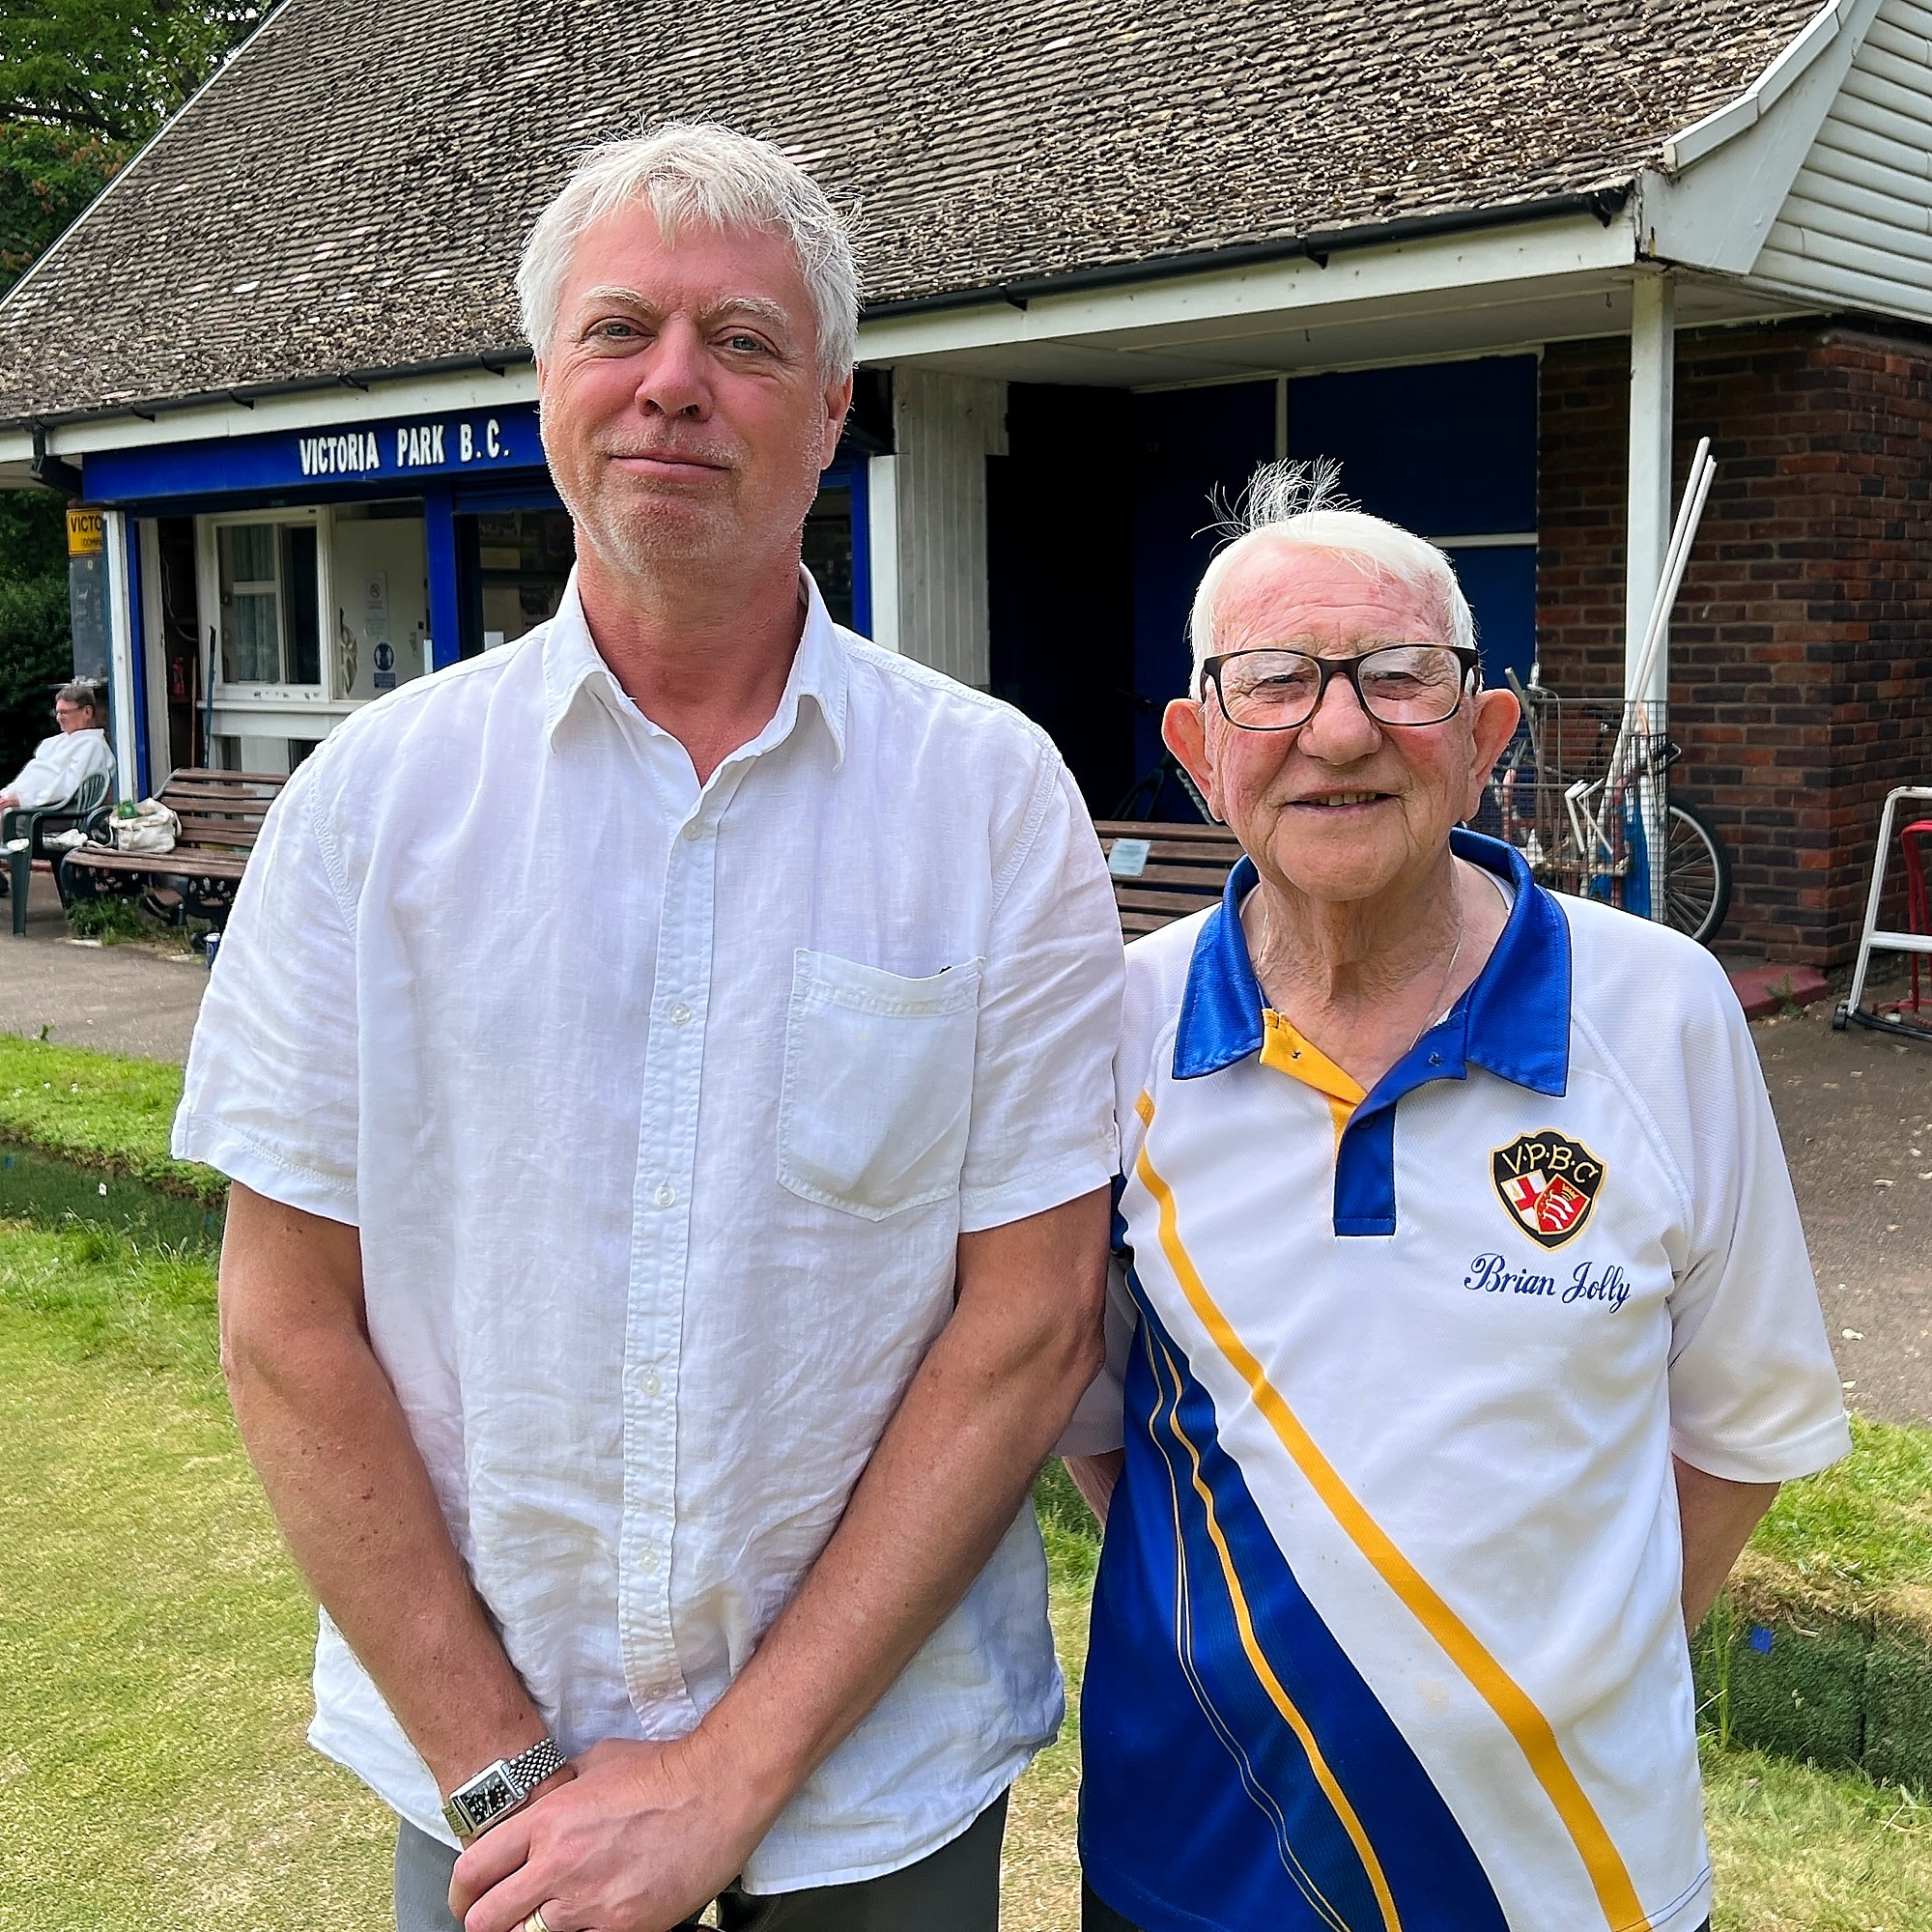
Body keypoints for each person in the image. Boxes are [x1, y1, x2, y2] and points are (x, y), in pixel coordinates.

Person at [177, 124, 1122, 1932]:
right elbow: (286, 1326)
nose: (674, 386)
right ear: (548, 384)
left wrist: (726, 1775)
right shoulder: (374, 805)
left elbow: (1032, 1321)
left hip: (878, 1790)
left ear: (834, 410)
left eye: (746, 344)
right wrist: (512, 1776)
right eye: (622, 331)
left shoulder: (993, 802)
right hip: (495, 1801)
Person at [1063, 467, 1849, 1932]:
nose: (1341, 731)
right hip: (1191, 1865)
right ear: (1198, 750)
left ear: (1487, 736)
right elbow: (1099, 1426)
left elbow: (1739, 1437)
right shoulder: (1115, 1029)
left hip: (1570, 1879)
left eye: (1400, 680)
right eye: (1274, 683)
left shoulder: (1662, 1012)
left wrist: (1552, 1687)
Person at [0, 680, 113, 813]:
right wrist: (7, 794)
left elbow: (68, 788)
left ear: (87, 712)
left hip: (55, 813)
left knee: (7, 816)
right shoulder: (55, 742)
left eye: (64, 712)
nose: (59, 718)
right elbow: (33, 774)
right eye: (57, 712)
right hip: (27, 805)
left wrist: (22, 800)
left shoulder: (92, 745)